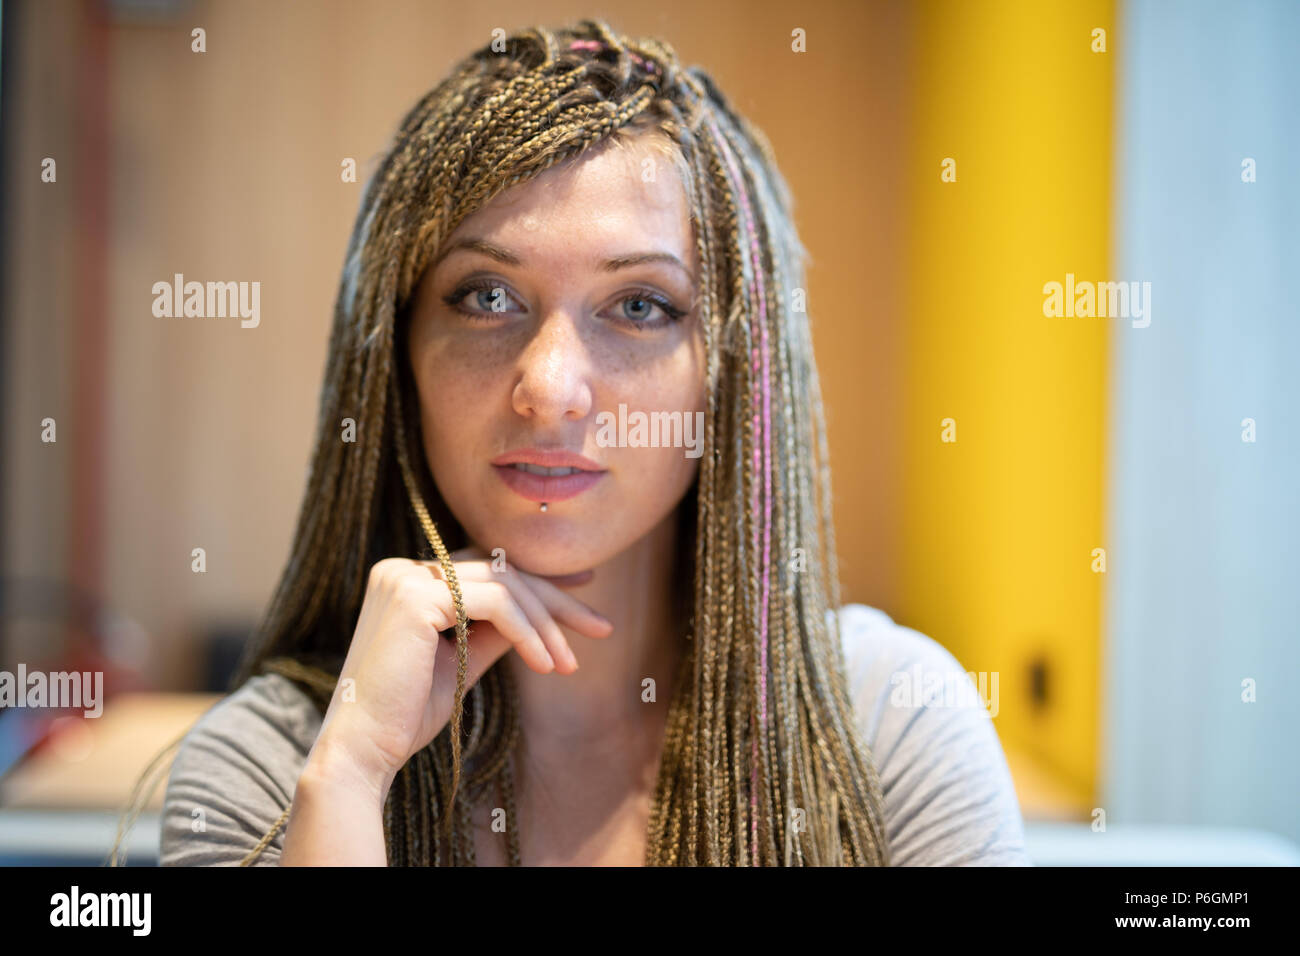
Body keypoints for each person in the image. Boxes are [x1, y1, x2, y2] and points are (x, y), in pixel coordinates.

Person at [116, 18, 1029, 866]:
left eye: (639, 306)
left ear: (733, 377)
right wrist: (351, 781)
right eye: (484, 297)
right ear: (397, 358)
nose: (549, 390)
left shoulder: (889, 727)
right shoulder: (278, 765)